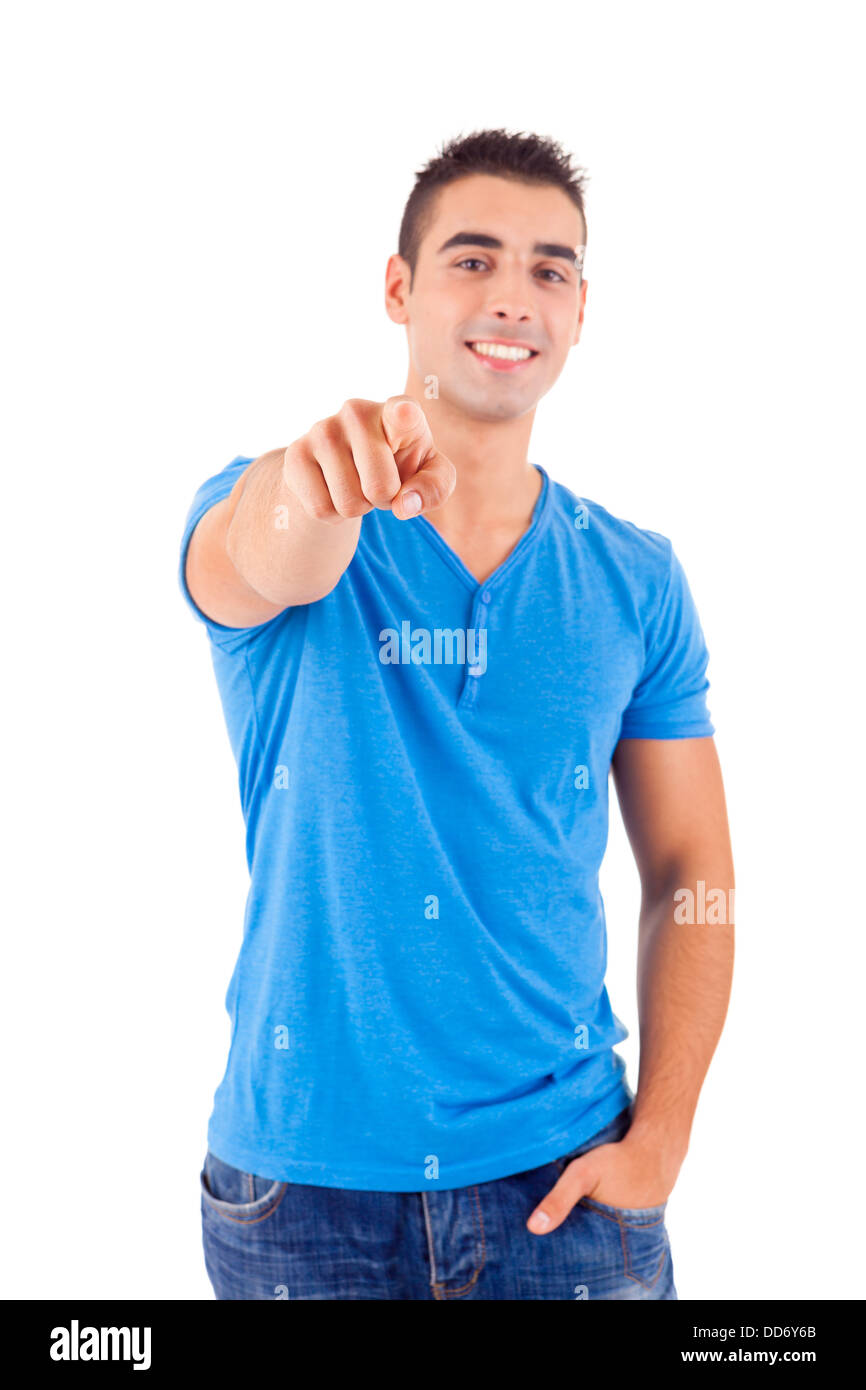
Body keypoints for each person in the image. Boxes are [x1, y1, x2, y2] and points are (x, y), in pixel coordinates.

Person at [179, 129, 735, 1300]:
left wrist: (665, 1136)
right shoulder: (272, 498)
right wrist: (320, 479)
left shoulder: (635, 579)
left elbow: (690, 867)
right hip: (300, 1204)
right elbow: (266, 555)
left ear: (580, 310)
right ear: (400, 289)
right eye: (471, 259)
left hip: (568, 1191)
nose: (512, 298)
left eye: (549, 269)